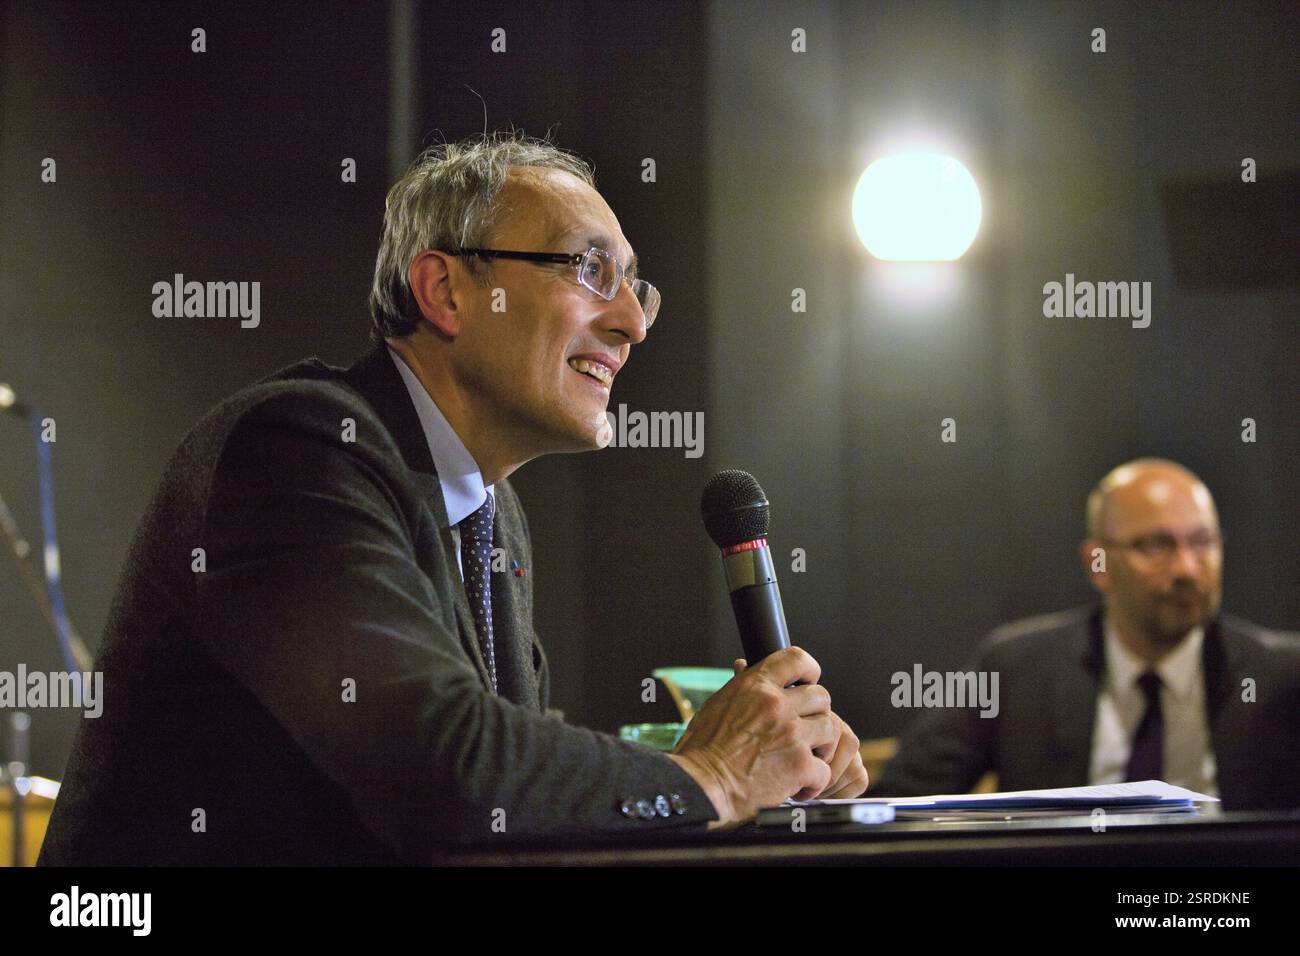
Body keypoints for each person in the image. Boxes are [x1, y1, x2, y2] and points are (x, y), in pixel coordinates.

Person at [38, 133, 866, 865]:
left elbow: (501, 807)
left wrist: (748, 772)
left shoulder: (490, 511)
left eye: (635, 287)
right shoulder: (298, 449)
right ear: (444, 291)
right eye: (590, 269)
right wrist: (708, 775)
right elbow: (442, 773)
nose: (631, 324)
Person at [874, 458, 1300, 811]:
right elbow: (899, 801)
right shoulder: (1015, 667)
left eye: (1203, 542)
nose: (1187, 569)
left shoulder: (1282, 676)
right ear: (1097, 563)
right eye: (1156, 545)